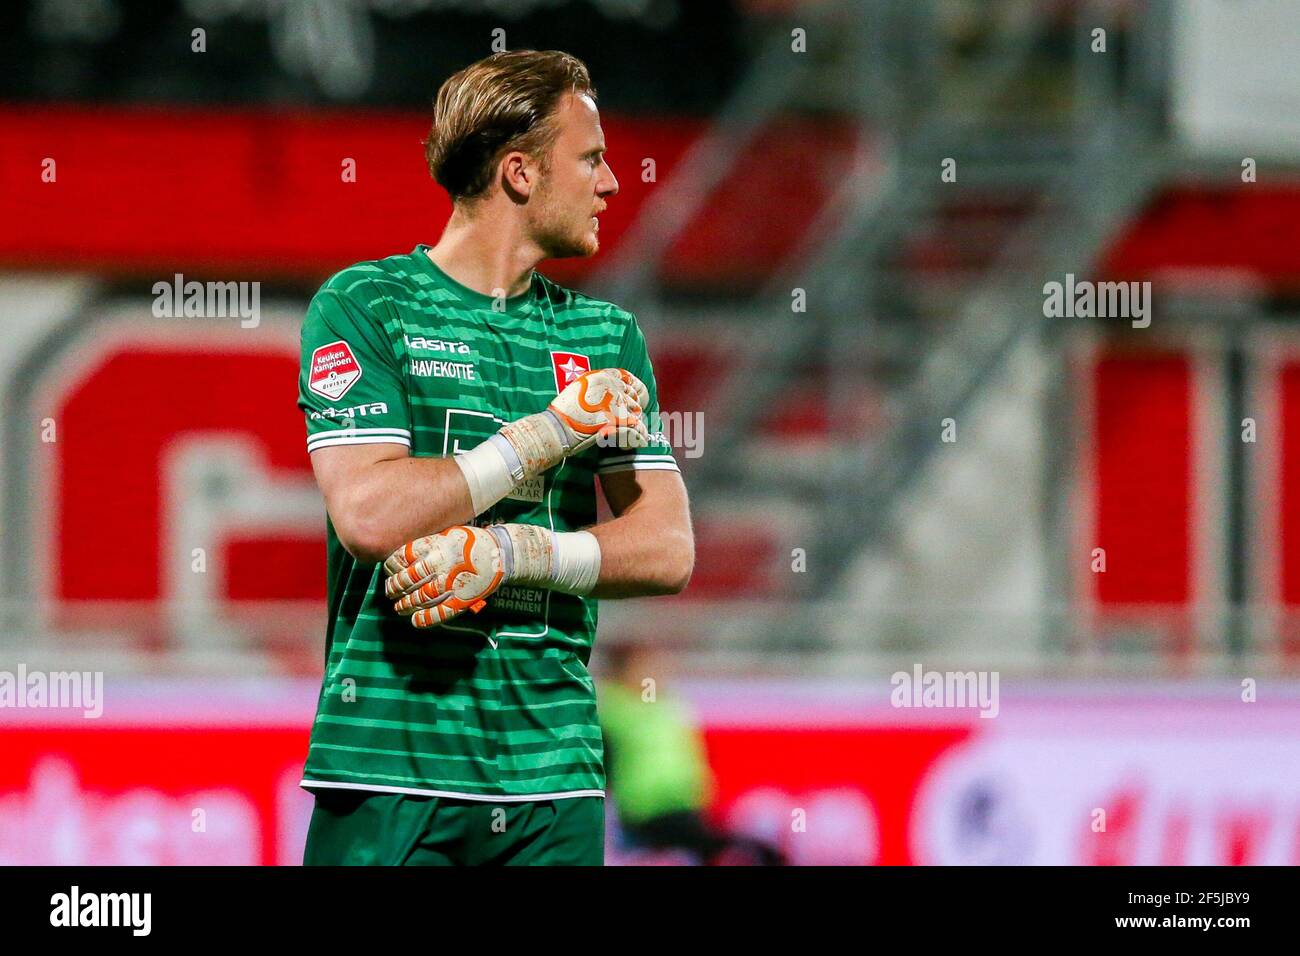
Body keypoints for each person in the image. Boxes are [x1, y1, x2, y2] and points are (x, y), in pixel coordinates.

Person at [297, 50, 694, 865]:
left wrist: (508, 554)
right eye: (590, 159)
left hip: (555, 785)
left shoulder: (606, 340)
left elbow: (668, 547)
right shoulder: (367, 305)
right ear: (520, 172)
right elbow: (368, 514)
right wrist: (542, 437)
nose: (612, 183)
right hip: (389, 773)